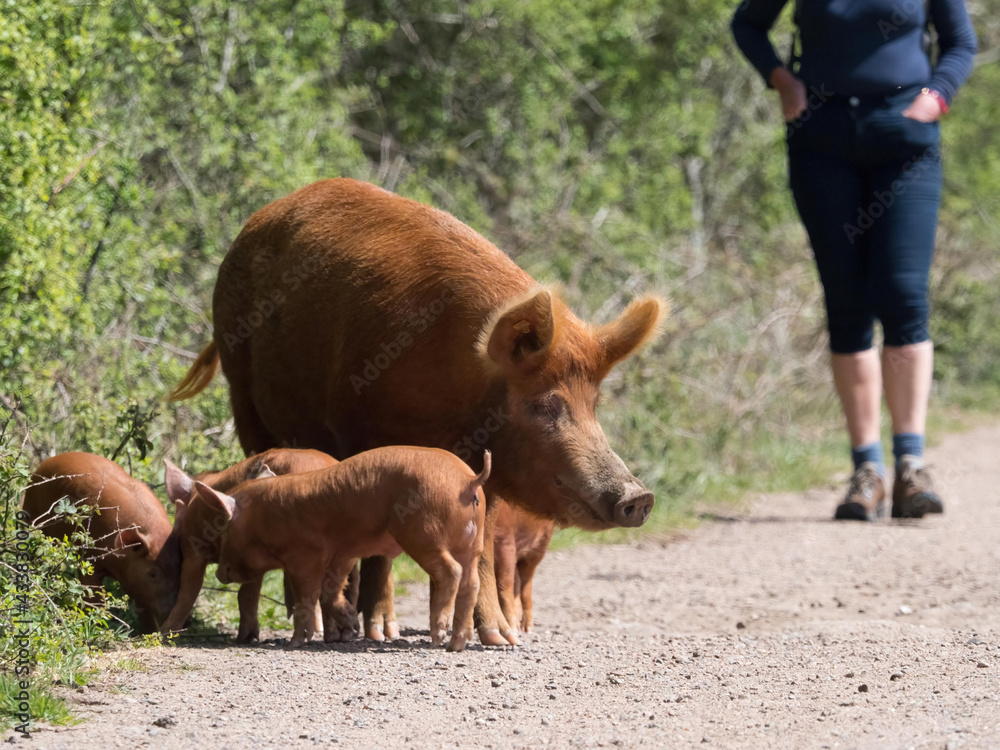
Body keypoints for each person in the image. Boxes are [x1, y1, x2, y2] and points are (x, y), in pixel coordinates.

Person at [730, 0, 977, 520]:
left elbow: (960, 42)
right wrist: (784, 82)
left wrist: (937, 96)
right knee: (846, 299)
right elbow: (748, 24)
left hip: (905, 139)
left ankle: (911, 464)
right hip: (822, 143)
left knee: (902, 292)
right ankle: (867, 471)